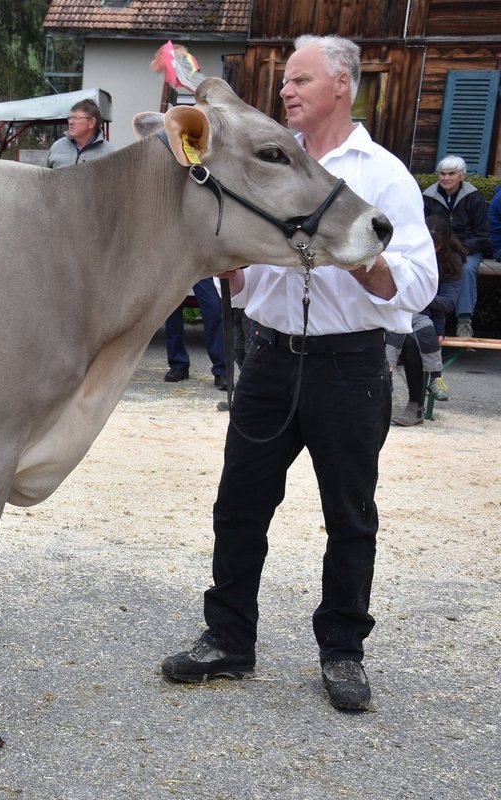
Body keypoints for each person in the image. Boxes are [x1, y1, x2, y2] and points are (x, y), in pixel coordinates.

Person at [160, 35, 437, 711]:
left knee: (350, 516)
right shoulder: (268, 160)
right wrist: (234, 272)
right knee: (239, 505)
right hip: (270, 359)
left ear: (343, 84)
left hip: (350, 366)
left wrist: (364, 259)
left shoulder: (383, 174)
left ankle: (343, 652)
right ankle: (228, 639)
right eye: (285, 80)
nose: (286, 90)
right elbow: (254, 283)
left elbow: (421, 281)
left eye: (301, 79)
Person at [388, 215, 464, 425]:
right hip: (395, 312)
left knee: (413, 341)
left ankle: (416, 404)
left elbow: (448, 302)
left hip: (426, 318)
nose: (432, 248)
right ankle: (387, 382)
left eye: (436, 245)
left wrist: (418, 295)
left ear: (444, 243)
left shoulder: (451, 262)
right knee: (399, 334)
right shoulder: (405, 252)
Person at [422, 155, 489, 338]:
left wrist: (462, 251)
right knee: (425, 268)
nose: (446, 178)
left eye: (451, 173)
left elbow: (482, 234)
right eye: (442, 173)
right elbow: (420, 227)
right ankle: (423, 319)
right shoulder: (427, 196)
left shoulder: (474, 197)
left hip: (468, 249)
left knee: (465, 269)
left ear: (462, 176)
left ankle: (464, 321)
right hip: (434, 248)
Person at [163, 279, 228, 390]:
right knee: (172, 314)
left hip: (203, 270)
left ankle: (221, 371)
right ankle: (178, 364)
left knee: (214, 310)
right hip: (176, 270)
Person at [45, 99, 115, 168]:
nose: (70, 122)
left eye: (76, 118)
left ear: (91, 122)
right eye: (70, 118)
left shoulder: (108, 152)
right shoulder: (57, 146)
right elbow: (47, 175)